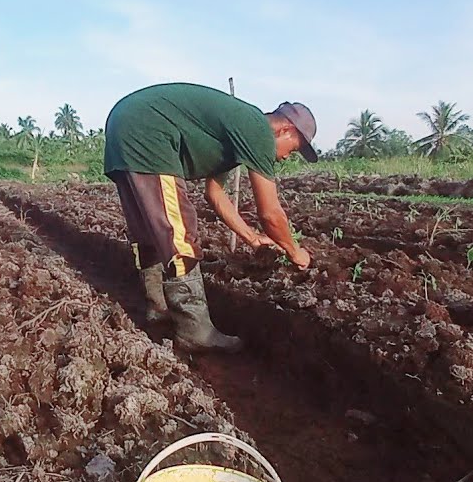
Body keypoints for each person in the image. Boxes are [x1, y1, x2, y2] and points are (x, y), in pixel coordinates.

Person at [103, 83, 317, 353]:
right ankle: (195, 331)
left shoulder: (238, 133)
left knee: (149, 231)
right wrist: (295, 251)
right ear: (285, 129)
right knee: (178, 230)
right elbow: (270, 214)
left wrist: (252, 238)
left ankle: (158, 307)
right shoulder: (259, 131)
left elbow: (214, 195)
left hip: (126, 124)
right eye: (292, 149)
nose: (286, 157)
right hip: (147, 130)